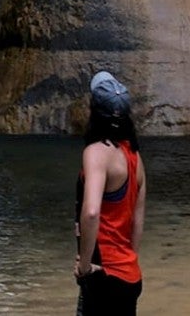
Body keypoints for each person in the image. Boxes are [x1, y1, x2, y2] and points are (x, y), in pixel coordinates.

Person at [73, 71, 146, 315]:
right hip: (130, 277)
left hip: (103, 274)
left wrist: (84, 266)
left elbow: (92, 212)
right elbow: (137, 221)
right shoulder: (135, 157)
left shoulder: (96, 153)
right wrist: (129, 260)